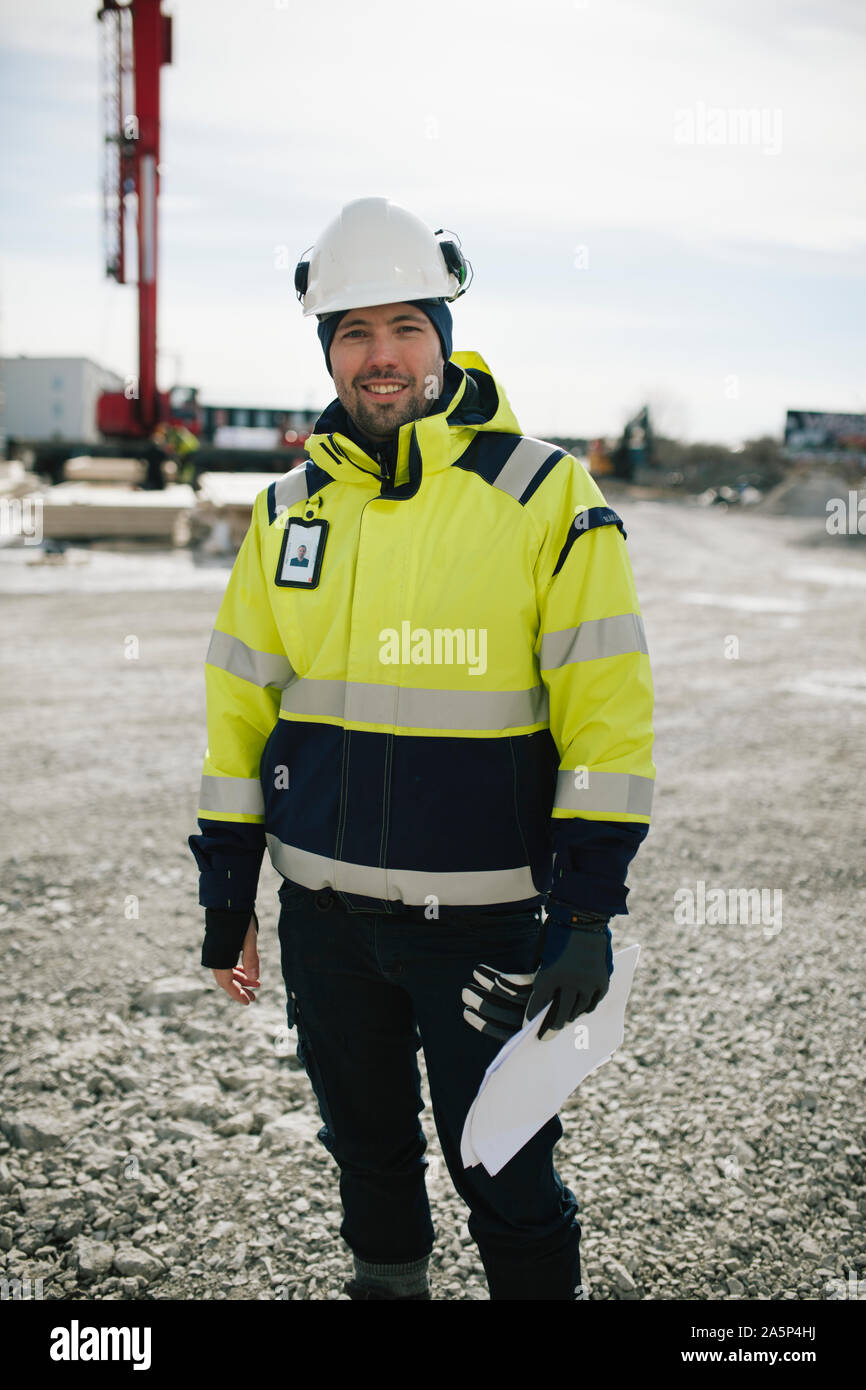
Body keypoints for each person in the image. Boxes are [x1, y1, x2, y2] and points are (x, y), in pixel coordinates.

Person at [188, 196, 655, 1301]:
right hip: (326, 919)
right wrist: (226, 894)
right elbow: (237, 709)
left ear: (442, 336)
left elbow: (607, 714)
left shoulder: (541, 493)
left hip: (486, 923)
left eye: (403, 326)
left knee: (502, 1164)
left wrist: (585, 911)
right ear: (326, 349)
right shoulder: (288, 509)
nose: (380, 355)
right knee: (366, 1154)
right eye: (352, 331)